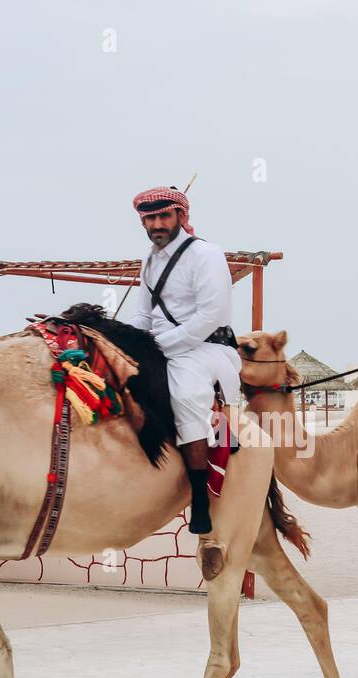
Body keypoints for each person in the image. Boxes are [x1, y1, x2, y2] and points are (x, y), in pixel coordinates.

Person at [123, 186, 239, 537]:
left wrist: (162, 345)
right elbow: (143, 314)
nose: (157, 223)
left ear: (181, 216)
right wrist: (130, 344)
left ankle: (200, 496)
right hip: (160, 344)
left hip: (203, 347)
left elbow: (210, 315)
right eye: (150, 218)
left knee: (185, 396)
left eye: (163, 216)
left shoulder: (207, 255)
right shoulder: (148, 261)